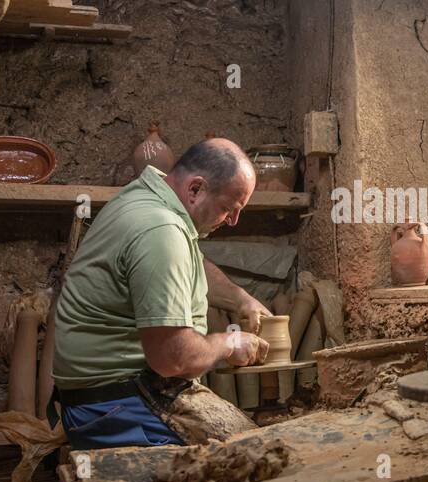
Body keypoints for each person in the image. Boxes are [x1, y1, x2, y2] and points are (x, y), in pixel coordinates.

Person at [50, 137, 272, 449]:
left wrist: (240, 298)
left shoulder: (145, 196)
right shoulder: (160, 229)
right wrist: (229, 343)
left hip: (96, 395)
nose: (233, 221)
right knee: (258, 453)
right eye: (227, 208)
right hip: (116, 405)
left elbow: (186, 259)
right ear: (195, 190)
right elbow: (175, 359)